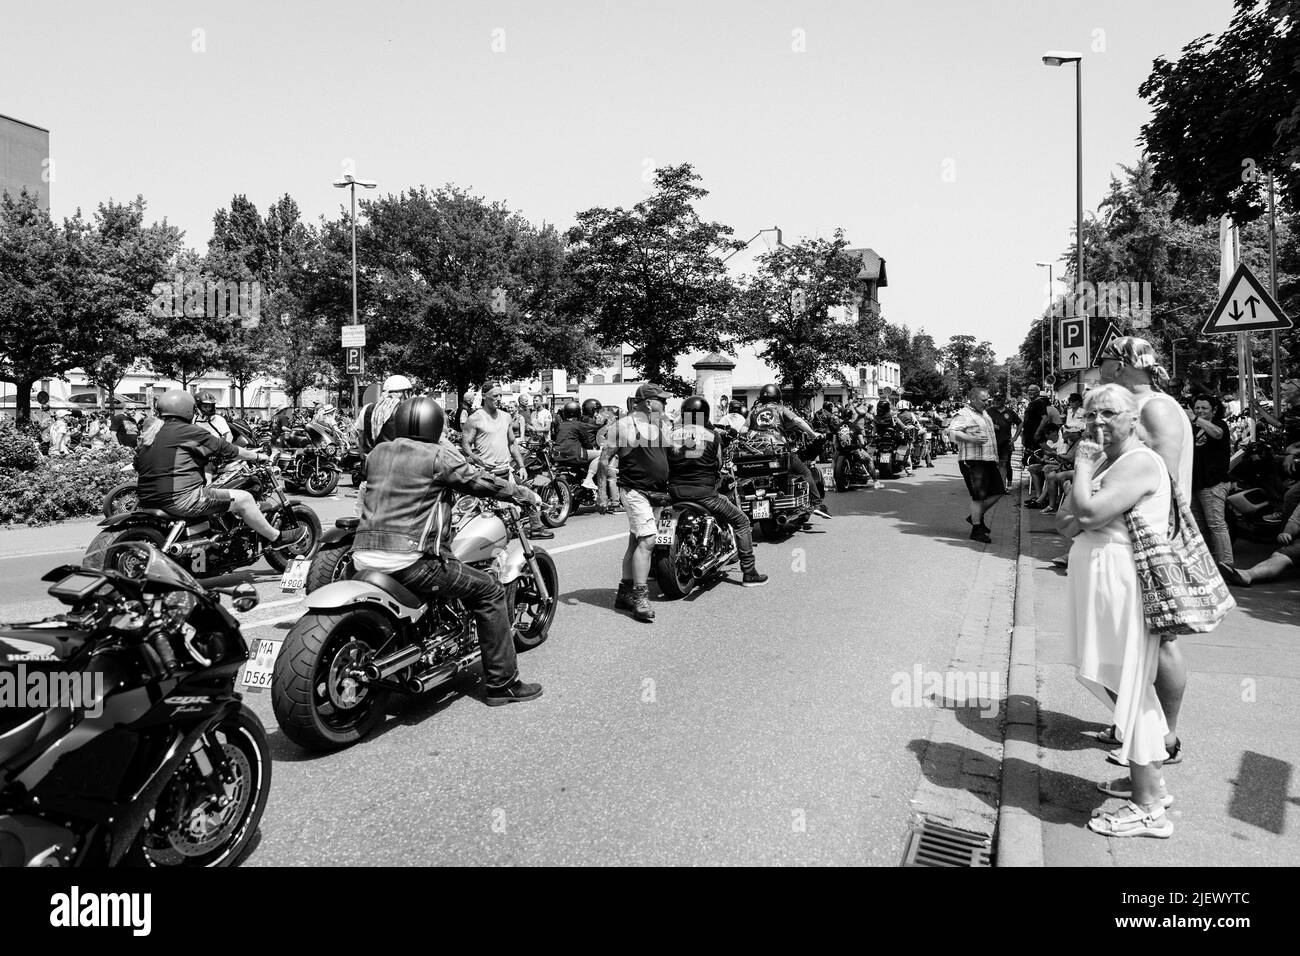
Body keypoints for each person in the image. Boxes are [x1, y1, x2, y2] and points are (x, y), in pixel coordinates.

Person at [351, 395, 544, 706]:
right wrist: (521, 492)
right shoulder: (437, 455)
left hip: (362, 555)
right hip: (410, 558)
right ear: (435, 424)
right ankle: (503, 684)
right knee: (491, 591)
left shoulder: (377, 454)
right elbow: (478, 480)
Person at [1057, 384, 1174, 838]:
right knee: (1111, 680)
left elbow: (1084, 515)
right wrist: (1085, 499)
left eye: (1108, 413)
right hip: (1101, 581)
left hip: (1121, 585)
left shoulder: (1140, 461)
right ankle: (1148, 780)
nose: (1097, 422)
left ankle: (1149, 807)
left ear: (1132, 419)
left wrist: (1082, 473)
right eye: (1090, 415)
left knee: (1130, 687)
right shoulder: (1112, 461)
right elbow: (1066, 520)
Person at [1098, 336, 1191, 766]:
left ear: (1127, 364)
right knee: (1130, 637)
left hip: (1155, 536)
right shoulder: (1135, 405)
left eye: (1107, 358)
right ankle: (1135, 723)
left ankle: (1164, 736)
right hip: (1133, 533)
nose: (1100, 365)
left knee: (1162, 637)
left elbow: (1162, 479)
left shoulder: (1156, 407)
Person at [134, 391, 306, 550]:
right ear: (187, 410)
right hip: (180, 500)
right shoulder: (188, 431)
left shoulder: (152, 432)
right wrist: (257, 457)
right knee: (245, 499)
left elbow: (138, 464)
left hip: (147, 500)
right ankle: (276, 538)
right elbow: (227, 449)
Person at [668, 396, 768, 587]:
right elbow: (719, 464)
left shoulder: (671, 435)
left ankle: (656, 569)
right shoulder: (713, 436)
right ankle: (749, 572)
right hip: (704, 494)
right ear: (705, 414)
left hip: (674, 492)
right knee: (742, 521)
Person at [598, 383, 675, 622]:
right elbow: (604, 460)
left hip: (658, 492)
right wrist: (602, 494)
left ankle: (625, 591)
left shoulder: (661, 424)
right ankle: (640, 598)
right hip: (635, 491)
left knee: (636, 540)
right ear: (649, 402)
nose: (665, 404)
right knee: (648, 540)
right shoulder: (622, 426)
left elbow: (672, 452)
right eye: (662, 400)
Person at [461, 384, 553, 540]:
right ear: (484, 396)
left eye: (500, 396)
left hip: (506, 470)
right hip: (488, 474)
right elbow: (465, 445)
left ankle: (536, 528)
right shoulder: (475, 418)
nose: (498, 399)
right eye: (494, 396)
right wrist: (473, 457)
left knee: (530, 495)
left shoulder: (506, 417)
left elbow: (512, 443)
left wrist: (522, 466)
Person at [747, 384, 831, 518]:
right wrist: (812, 434)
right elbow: (797, 421)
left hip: (754, 453)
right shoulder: (780, 408)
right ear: (778, 396)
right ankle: (816, 504)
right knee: (805, 472)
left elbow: (742, 430)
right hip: (777, 450)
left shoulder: (754, 412)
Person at [948, 386, 1005, 543]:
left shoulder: (983, 413)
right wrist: (972, 439)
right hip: (972, 460)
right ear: (972, 399)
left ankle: (975, 516)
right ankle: (977, 529)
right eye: (983, 400)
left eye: (988, 400)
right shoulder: (963, 414)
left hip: (988, 459)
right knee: (978, 496)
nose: (987, 403)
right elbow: (952, 433)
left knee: (999, 491)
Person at [1188, 394, 1233, 566]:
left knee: (1216, 525)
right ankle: (1208, 564)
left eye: (1204, 408)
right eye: (1197, 407)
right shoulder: (1192, 427)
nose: (1200, 410)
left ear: (1213, 410)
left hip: (1214, 483)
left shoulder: (1220, 424)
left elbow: (1217, 433)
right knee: (1199, 526)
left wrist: (1195, 418)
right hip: (1195, 484)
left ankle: (1226, 563)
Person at [986, 394, 1022, 485]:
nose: (996, 401)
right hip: (991, 443)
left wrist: (1015, 437)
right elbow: (981, 422)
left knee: (1005, 464)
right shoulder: (989, 411)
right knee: (993, 464)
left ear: (1003, 400)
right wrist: (991, 426)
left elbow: (1020, 423)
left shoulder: (1009, 412)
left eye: (998, 400)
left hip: (1006, 443)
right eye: (995, 399)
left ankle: (1006, 485)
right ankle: (995, 484)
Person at [1020, 385, 1050, 466]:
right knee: (1029, 460)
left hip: (1035, 437)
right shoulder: (1031, 403)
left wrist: (1037, 432)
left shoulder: (1040, 403)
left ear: (1038, 392)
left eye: (1032, 390)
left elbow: (1045, 418)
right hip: (1029, 436)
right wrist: (1023, 433)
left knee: (1035, 460)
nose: (1029, 392)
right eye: (1028, 390)